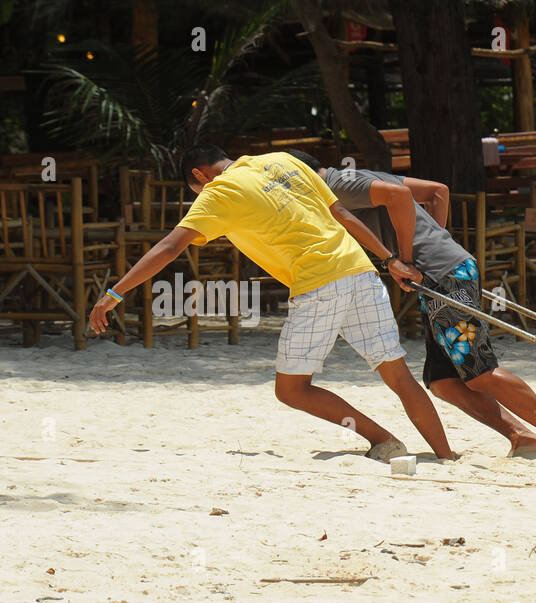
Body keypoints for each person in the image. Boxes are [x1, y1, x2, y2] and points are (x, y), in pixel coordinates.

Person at [88, 145, 455, 461]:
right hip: (359, 268)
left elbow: (170, 246)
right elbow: (342, 215)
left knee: (292, 389)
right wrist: (390, 259)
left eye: (195, 188)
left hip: (319, 282)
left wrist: (114, 294)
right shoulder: (283, 160)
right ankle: (446, 455)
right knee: (398, 374)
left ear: (200, 175)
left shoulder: (218, 193)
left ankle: (383, 440)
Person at [282, 150, 536, 459]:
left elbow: (400, 196)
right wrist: (436, 243)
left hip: (445, 273)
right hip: (441, 271)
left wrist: (409, 256)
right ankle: (520, 435)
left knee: (481, 372)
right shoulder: (360, 177)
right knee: (443, 382)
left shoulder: (337, 185)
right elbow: (437, 191)